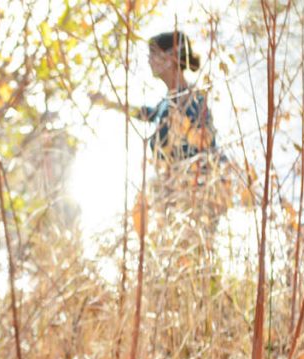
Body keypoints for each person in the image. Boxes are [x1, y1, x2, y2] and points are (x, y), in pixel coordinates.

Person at [91, 31, 228, 230]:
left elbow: (206, 147)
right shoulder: (168, 101)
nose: (149, 61)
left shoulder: (193, 100)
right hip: (172, 203)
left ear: (171, 56)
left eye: (153, 54)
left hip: (192, 207)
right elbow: (148, 114)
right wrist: (110, 104)